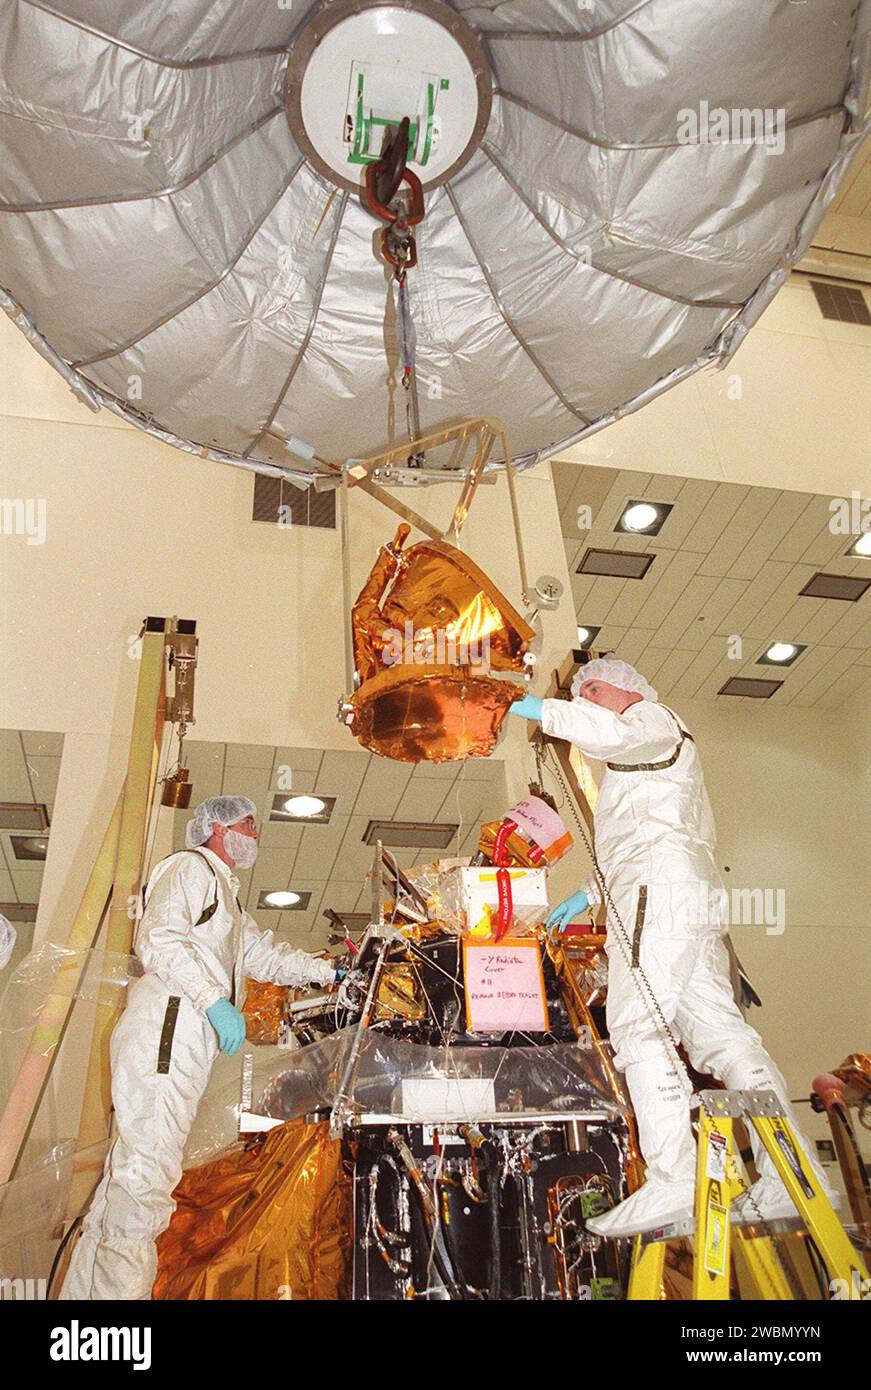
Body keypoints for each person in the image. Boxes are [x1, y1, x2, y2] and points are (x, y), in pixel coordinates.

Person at [511, 660, 836, 1237]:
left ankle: (675, 1177)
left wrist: (532, 707)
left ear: (630, 689)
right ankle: (793, 1171)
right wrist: (589, 896)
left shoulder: (651, 720)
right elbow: (656, 833)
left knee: (638, 1028)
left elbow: (608, 743)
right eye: (580, 692)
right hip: (682, 897)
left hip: (657, 895)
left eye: (593, 688)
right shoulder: (652, 754)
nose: (585, 696)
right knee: (722, 1038)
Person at [60, 795, 341, 1299]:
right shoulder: (189, 868)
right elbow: (160, 938)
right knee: (147, 1175)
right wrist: (214, 1001)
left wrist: (332, 973)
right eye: (248, 824)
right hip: (171, 1023)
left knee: (128, 1180)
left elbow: (265, 957)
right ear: (215, 827)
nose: (256, 835)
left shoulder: (225, 898)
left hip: (182, 1029)